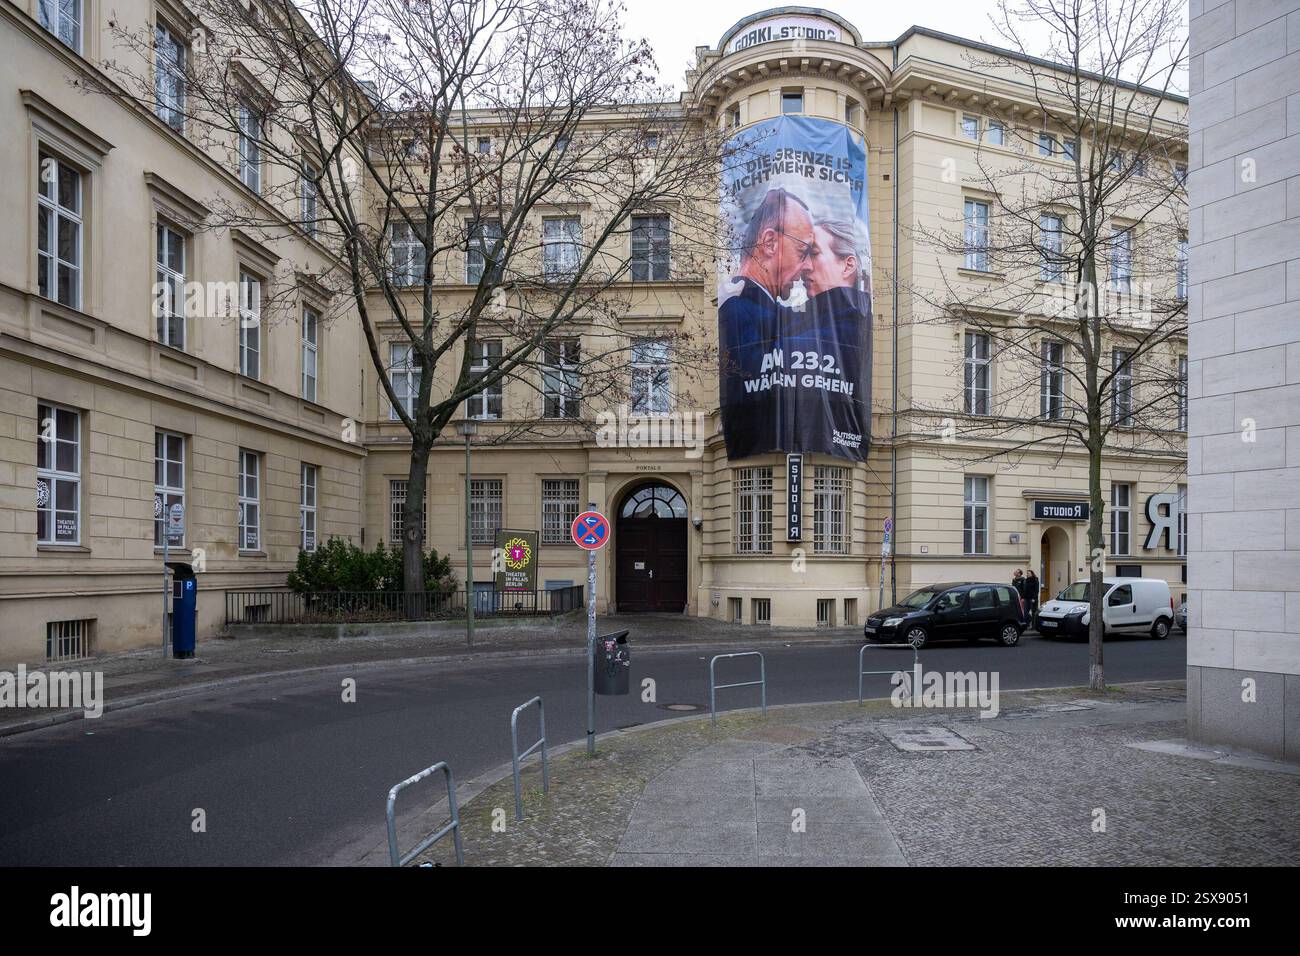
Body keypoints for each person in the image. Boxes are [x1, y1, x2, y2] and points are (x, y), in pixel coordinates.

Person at [718, 187, 817, 459]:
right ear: (770, 242)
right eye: (803, 250)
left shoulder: (753, 304)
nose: (809, 266)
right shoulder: (740, 309)